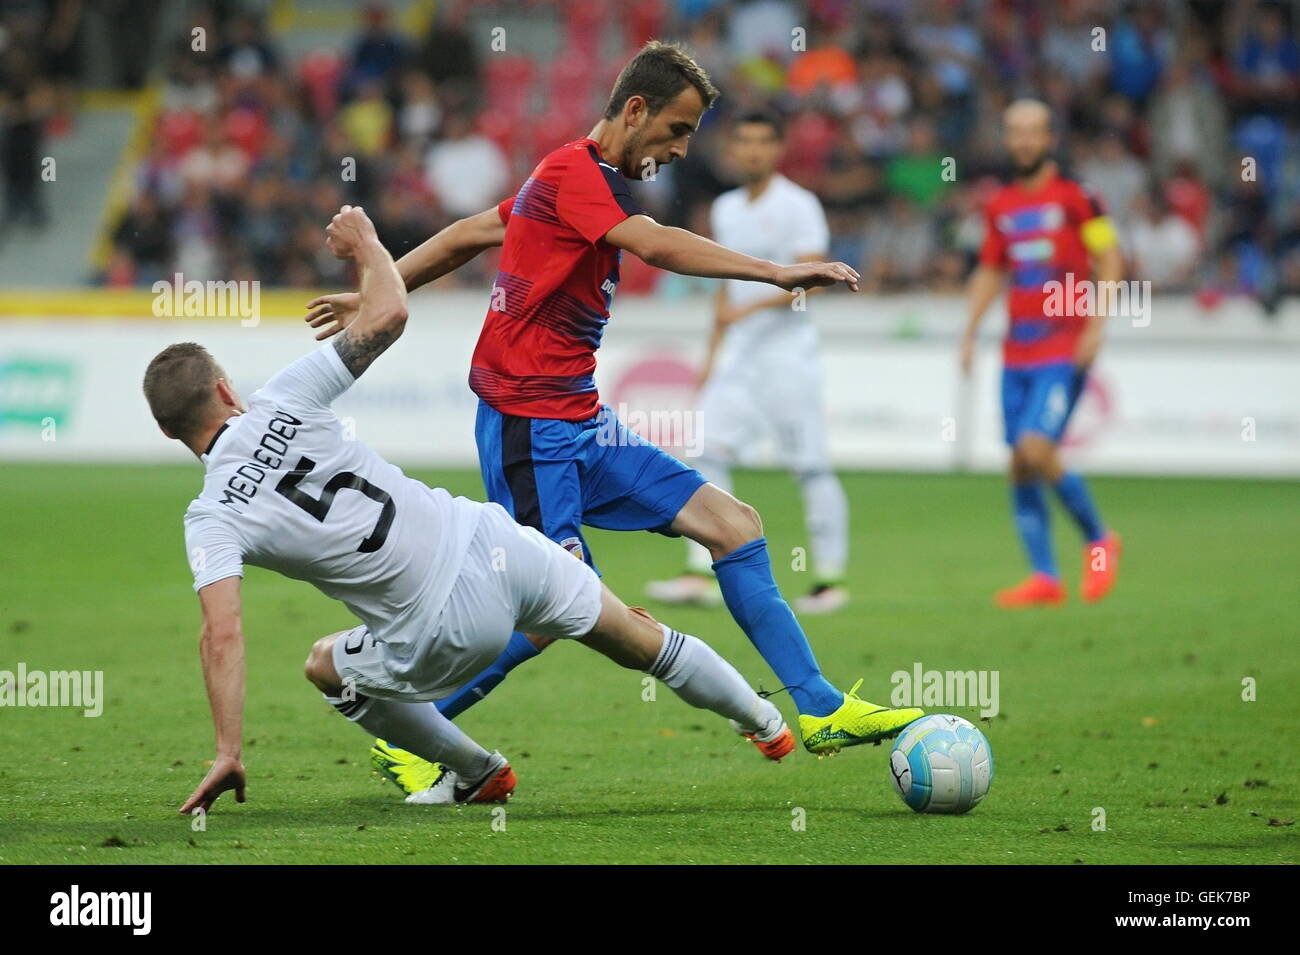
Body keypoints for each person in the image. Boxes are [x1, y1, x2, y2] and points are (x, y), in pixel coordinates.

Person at [305, 42, 922, 766]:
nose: (683, 149)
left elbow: (472, 233)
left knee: (733, 524)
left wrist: (384, 285)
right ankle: (414, 738)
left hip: (582, 419)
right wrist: (775, 271)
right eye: (676, 130)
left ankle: (819, 707)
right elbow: (654, 245)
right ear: (636, 110)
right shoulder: (572, 172)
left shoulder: (570, 175)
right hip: (528, 424)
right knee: (549, 607)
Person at [153, 206, 799, 814]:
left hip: (437, 630)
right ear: (224, 389)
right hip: (494, 542)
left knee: (326, 665)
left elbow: (224, 633)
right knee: (635, 637)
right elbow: (387, 315)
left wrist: (229, 751)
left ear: (170, 434)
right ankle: (764, 720)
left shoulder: (211, 516)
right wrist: (366, 244)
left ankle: (475, 769)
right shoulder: (281, 399)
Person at [647, 109, 850, 614]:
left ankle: (828, 579)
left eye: (764, 141)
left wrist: (752, 305)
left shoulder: (799, 205)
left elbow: (812, 279)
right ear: (733, 150)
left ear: (779, 149)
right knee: (705, 452)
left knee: (809, 466)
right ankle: (704, 571)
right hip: (739, 355)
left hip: (787, 356)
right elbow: (722, 288)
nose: (754, 150)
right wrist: (712, 355)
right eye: (745, 141)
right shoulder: (726, 209)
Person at [960, 100, 1123, 608]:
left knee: (1036, 448)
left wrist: (1097, 326)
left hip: (1063, 346)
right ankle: (1045, 578)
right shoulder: (1001, 203)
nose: (1024, 141)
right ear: (1007, 139)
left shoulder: (1078, 195)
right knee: (1019, 463)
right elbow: (991, 270)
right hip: (1017, 351)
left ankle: (1100, 541)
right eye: (1015, 132)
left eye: (1034, 132)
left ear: (1050, 138)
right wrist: (969, 330)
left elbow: (1110, 257)